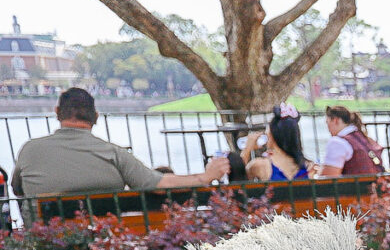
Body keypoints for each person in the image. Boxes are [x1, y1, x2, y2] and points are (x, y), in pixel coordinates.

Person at [12, 88, 230, 201]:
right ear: (96, 117)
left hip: (43, 245)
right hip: (105, 246)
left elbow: (17, 190)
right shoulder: (113, 154)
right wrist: (205, 177)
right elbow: (156, 183)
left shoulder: (29, 150)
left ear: (57, 113)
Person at [242, 103, 310, 181]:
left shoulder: (260, 166)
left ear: (272, 136)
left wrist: (247, 149)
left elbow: (237, 178)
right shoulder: (309, 167)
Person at [318, 105, 384, 176]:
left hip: (355, 186)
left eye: (327, 123)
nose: (328, 128)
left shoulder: (337, 142)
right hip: (374, 184)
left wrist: (314, 174)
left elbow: (328, 178)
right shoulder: (365, 138)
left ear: (335, 120)